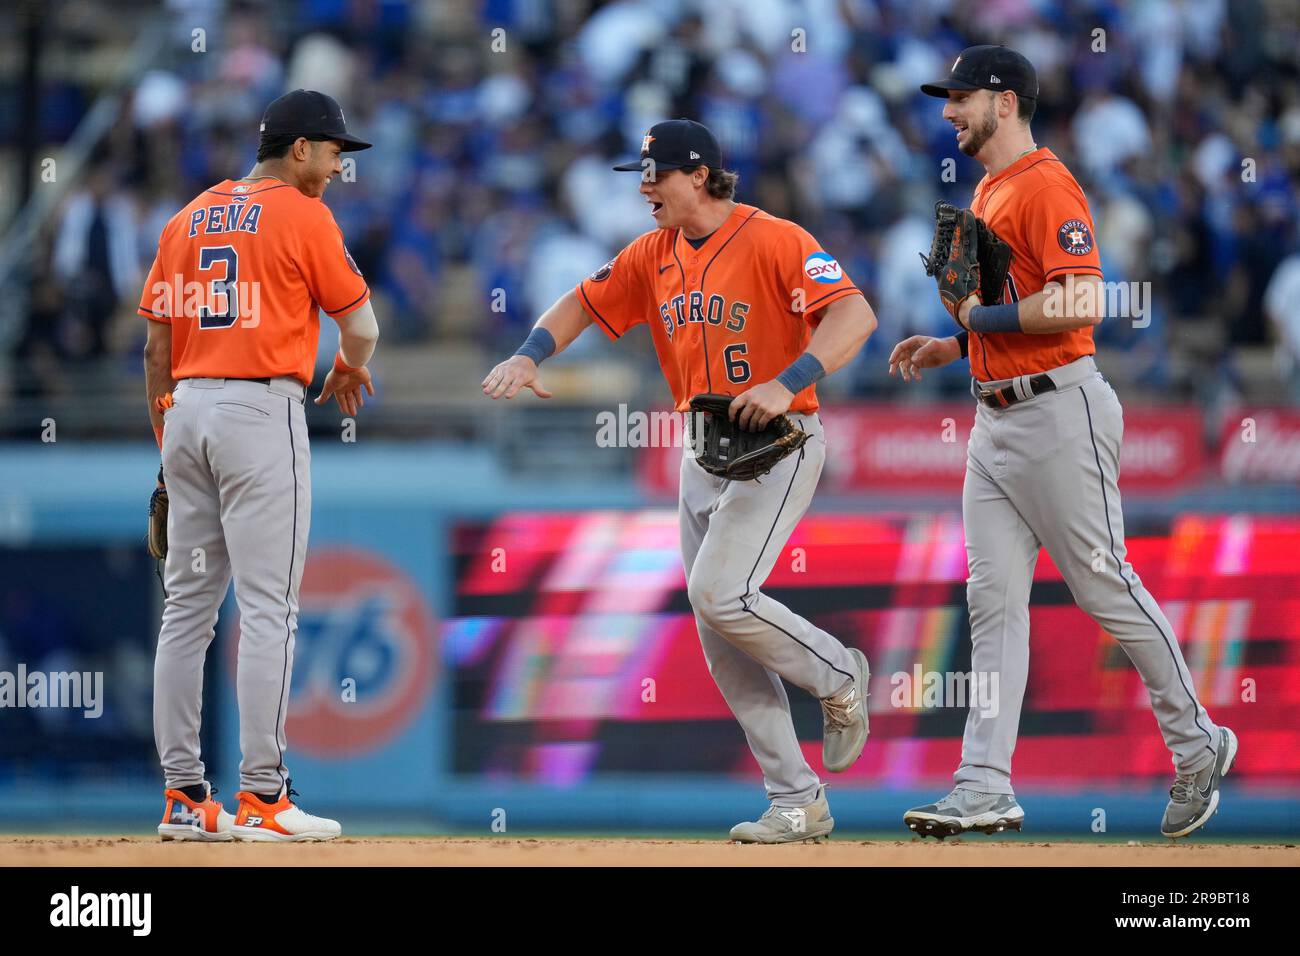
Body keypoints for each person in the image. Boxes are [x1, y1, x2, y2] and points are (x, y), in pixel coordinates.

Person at [483, 119, 878, 843]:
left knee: (717, 593)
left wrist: (791, 381)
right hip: (705, 450)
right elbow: (580, 301)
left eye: (655, 173)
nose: (643, 187)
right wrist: (532, 352)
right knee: (719, 632)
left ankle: (838, 676)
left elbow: (855, 314)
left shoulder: (777, 239)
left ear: (700, 174)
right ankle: (797, 800)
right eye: (639, 174)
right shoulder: (651, 254)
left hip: (780, 442)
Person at [890, 47, 1236, 839]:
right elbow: (1003, 307)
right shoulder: (987, 187)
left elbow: (1082, 297)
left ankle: (1197, 742)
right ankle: (983, 785)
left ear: (1004, 102)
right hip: (994, 415)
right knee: (992, 602)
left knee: (1102, 584)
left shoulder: (1047, 184)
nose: (949, 111)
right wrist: (955, 344)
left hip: (1058, 406)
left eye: (962, 97)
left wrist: (981, 322)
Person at [139, 89, 379, 842]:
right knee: (269, 607)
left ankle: (183, 799)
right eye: (335, 150)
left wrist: (167, 447)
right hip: (258, 410)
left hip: (186, 413)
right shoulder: (301, 212)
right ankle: (264, 797)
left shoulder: (186, 217)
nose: (341, 164)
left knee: (187, 612)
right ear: (298, 148)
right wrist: (345, 366)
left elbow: (154, 348)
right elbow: (363, 325)